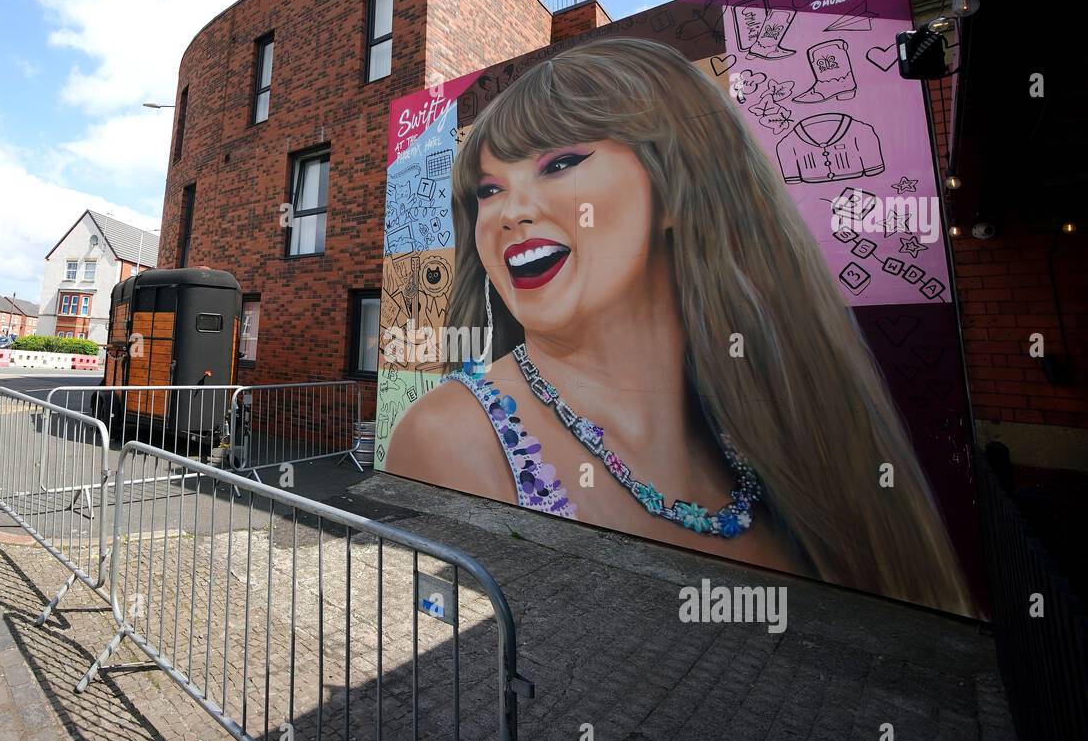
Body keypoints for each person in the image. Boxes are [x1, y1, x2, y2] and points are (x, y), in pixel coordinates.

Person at [386, 37, 971, 614]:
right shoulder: (451, 440)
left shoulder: (778, 440)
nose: (509, 213)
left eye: (560, 163)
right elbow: (450, 659)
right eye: (488, 190)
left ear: (674, 188)